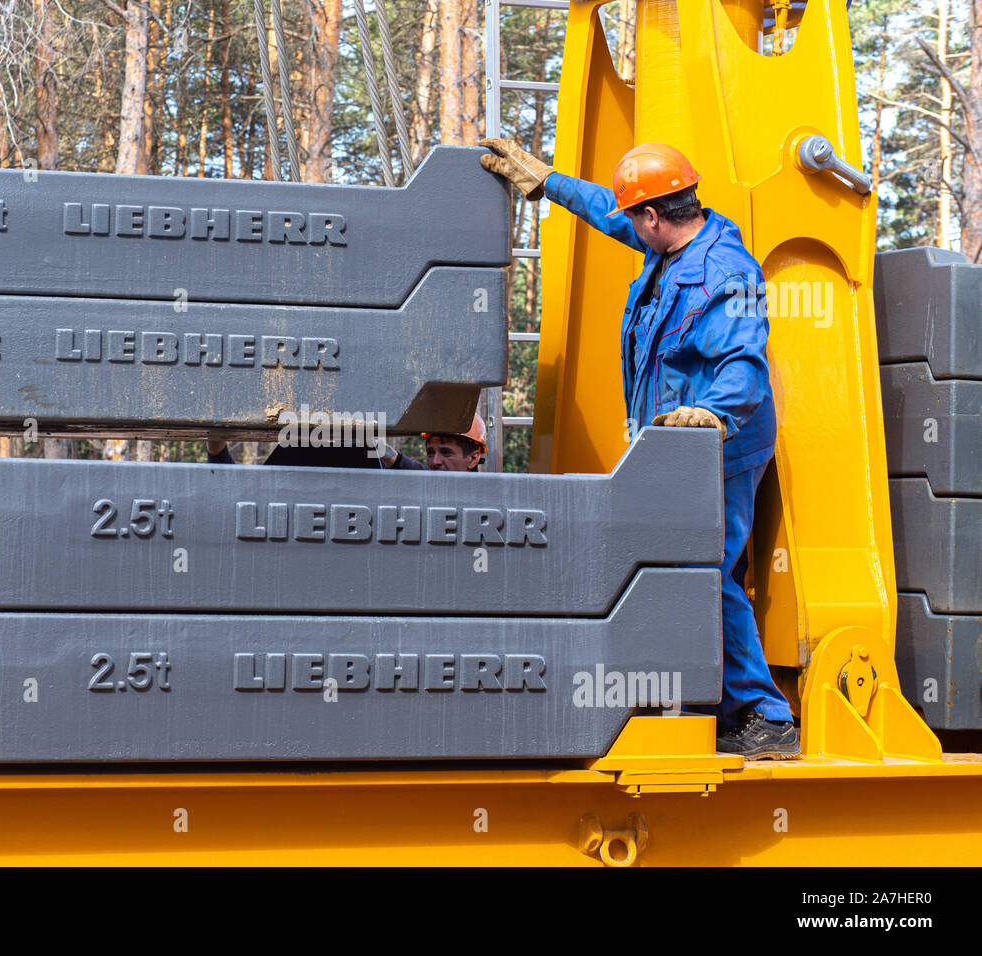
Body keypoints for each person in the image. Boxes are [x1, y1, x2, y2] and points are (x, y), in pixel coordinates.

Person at [479, 138, 799, 759]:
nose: (628, 223)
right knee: (684, 567)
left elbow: (744, 366)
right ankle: (709, 699)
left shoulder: (722, 273)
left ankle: (766, 716)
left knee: (707, 572)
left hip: (720, 446)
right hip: (674, 446)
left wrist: (711, 412)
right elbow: (611, 210)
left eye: (635, 216)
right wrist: (549, 183)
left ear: (653, 216)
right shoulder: (674, 243)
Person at [204, 413, 488, 472]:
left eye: (446, 453)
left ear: (474, 457)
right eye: (431, 452)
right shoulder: (424, 480)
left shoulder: (486, 502)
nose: (435, 461)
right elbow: (243, 498)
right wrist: (216, 449)